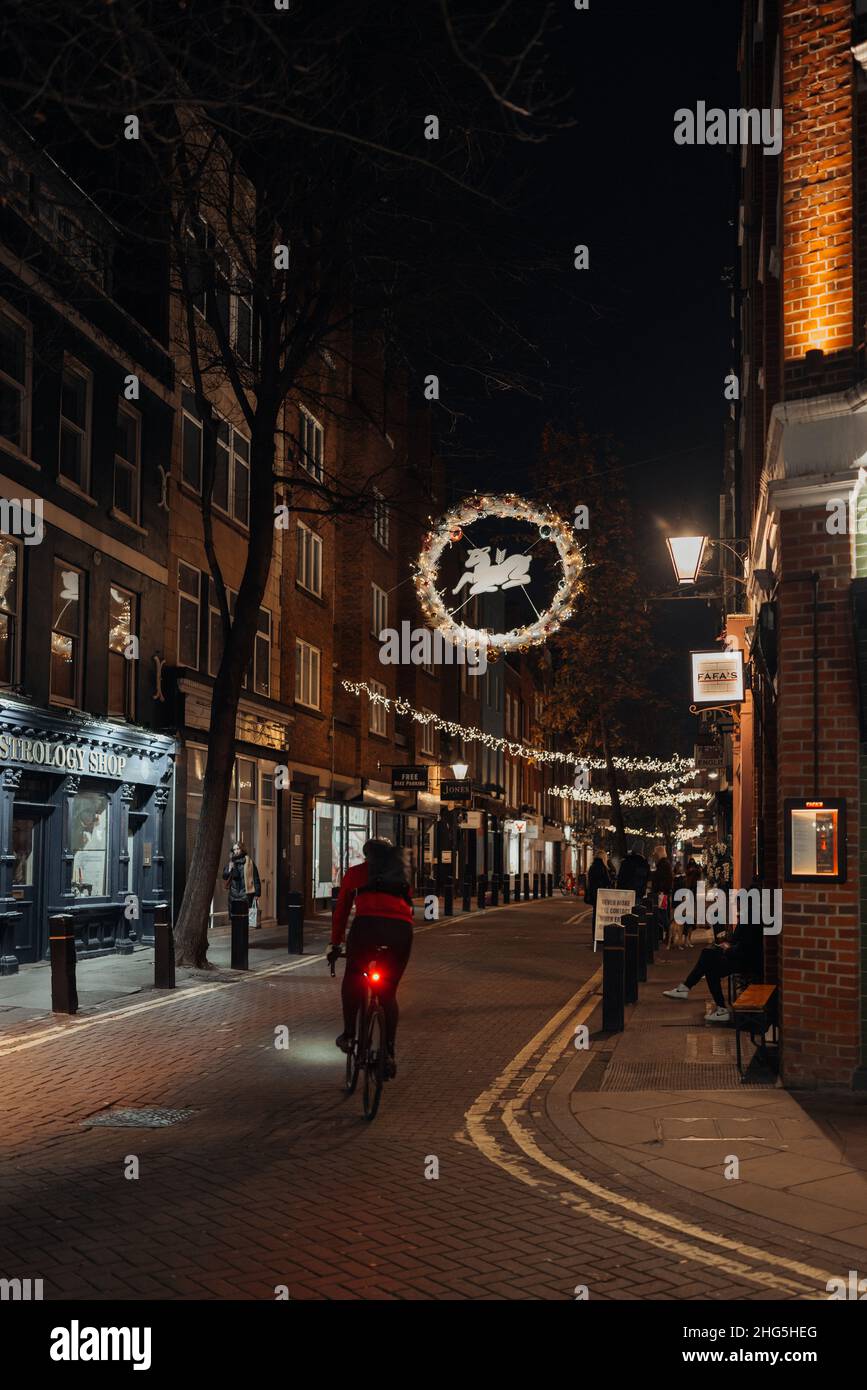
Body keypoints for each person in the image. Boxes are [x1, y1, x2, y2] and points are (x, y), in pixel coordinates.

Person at [327, 838, 413, 1077]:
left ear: (366, 856)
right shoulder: (400, 875)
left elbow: (342, 910)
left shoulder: (356, 873)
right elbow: (408, 906)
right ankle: (388, 1053)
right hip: (400, 932)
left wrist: (336, 943)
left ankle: (348, 1035)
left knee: (353, 979)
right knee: (388, 994)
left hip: (365, 929)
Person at [663, 914, 763, 1022]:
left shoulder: (751, 918)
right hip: (739, 957)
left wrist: (728, 948)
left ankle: (686, 988)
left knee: (708, 961)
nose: (737, 908)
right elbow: (740, 942)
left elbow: (746, 946)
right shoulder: (750, 916)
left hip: (744, 962)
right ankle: (718, 1008)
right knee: (708, 959)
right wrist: (727, 945)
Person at [222, 840, 261, 925]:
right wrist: (229, 869)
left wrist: (257, 894)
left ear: (242, 849)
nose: (236, 851)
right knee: (235, 920)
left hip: (245, 894)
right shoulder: (231, 862)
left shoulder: (249, 862)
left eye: (238, 849)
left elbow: (256, 878)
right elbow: (224, 876)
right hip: (233, 894)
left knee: (244, 919)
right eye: (234, 849)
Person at [651, 844, 674, 944]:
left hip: (662, 894)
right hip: (662, 893)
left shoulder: (663, 865)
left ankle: (669, 934)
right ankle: (667, 935)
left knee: (662, 915)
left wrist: (661, 889)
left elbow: (665, 879)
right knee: (662, 914)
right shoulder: (664, 864)